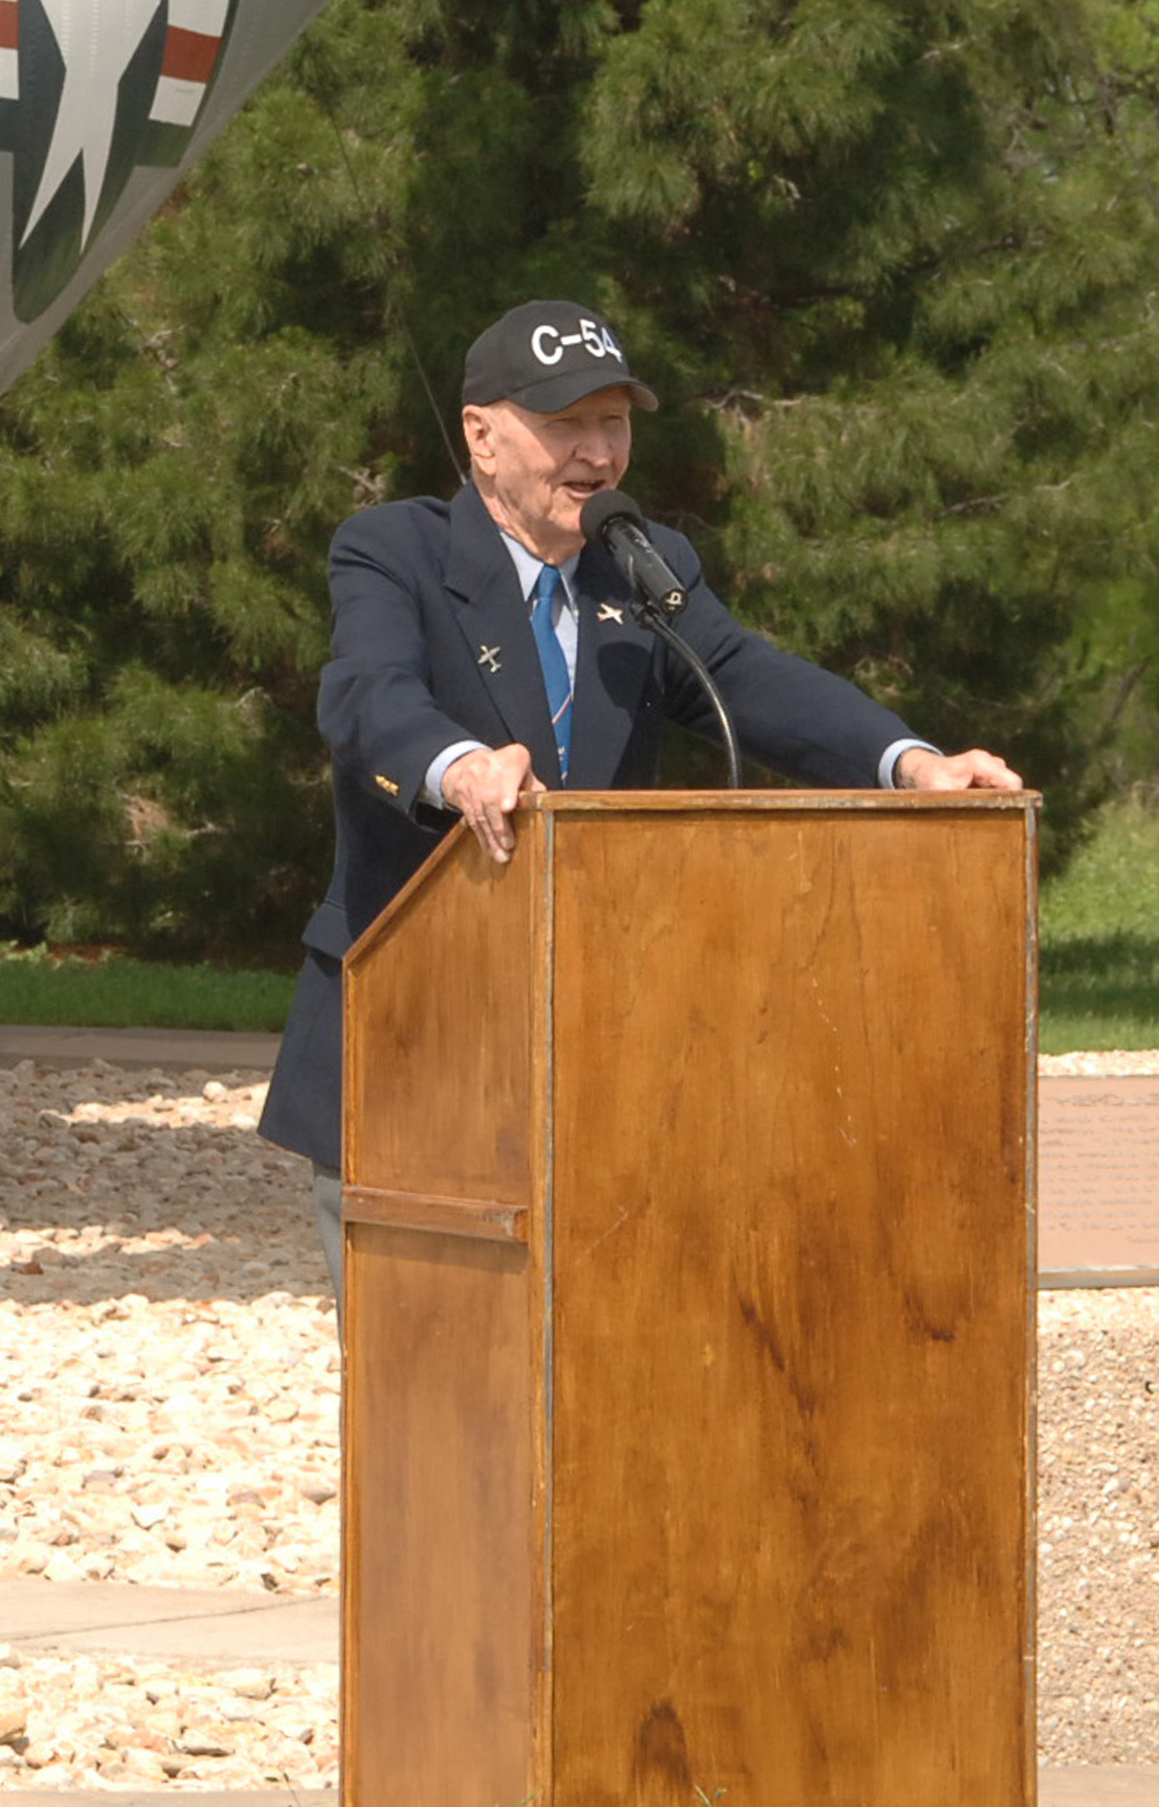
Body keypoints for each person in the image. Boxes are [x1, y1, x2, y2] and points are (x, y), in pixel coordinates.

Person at [258, 298, 1022, 1295]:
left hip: (604, 1046)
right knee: (427, 1388)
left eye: (614, 422)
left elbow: (748, 676)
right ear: (482, 439)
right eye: (566, 423)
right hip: (418, 1038)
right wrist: (461, 769)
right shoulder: (393, 550)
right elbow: (368, 697)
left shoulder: (641, 568)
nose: (598, 452)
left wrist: (914, 763)